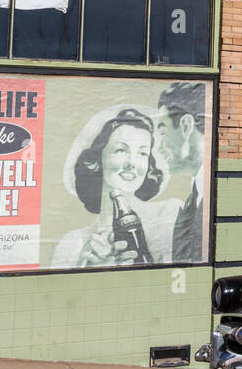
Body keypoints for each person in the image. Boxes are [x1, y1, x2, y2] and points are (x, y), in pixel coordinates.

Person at [51, 108, 179, 268]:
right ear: (98, 159)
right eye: (121, 150)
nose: (132, 163)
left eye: (143, 153)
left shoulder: (169, 214)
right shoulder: (73, 244)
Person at [155, 82, 206, 262]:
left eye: (163, 132)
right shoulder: (195, 196)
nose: (159, 148)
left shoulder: (210, 195)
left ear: (185, 126)